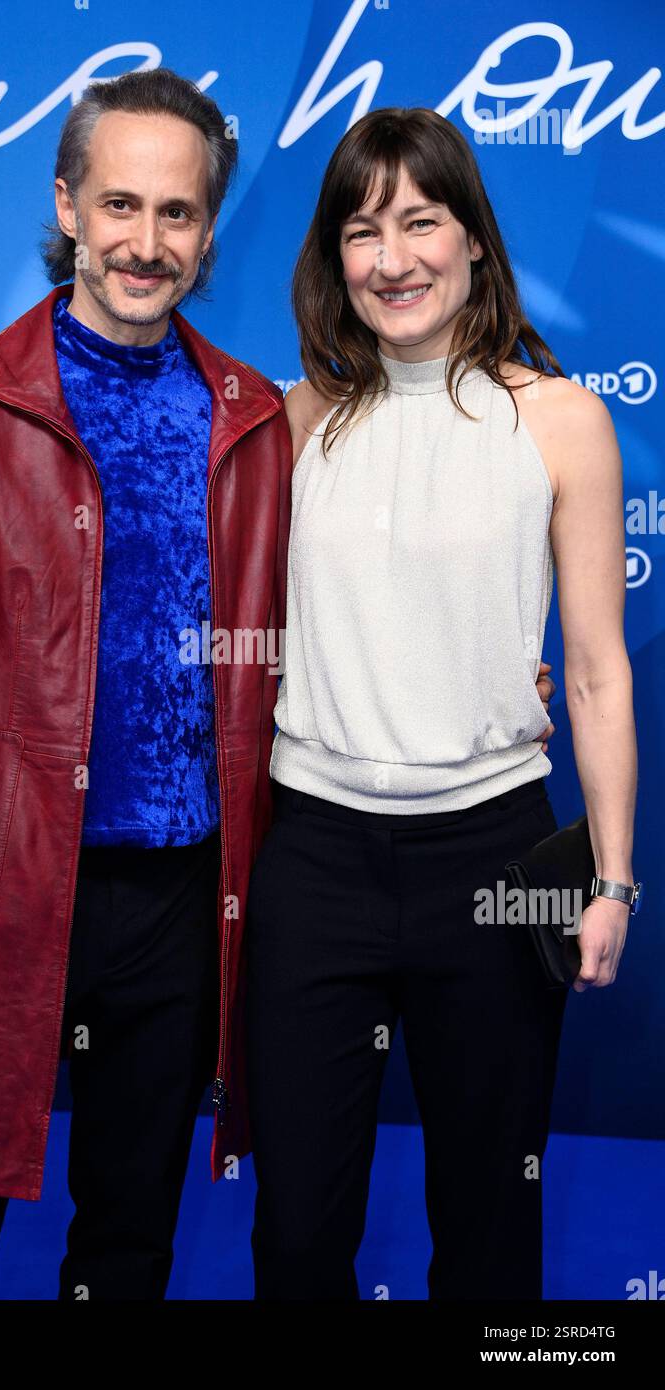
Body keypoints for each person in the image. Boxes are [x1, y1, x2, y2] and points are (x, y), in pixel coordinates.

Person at [0, 67, 292, 1300]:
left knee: (131, 1236)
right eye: (120, 205)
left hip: (182, 900)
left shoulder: (252, 415)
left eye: (178, 214)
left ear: (208, 227)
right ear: (68, 206)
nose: (147, 242)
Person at [245, 107, 638, 1301]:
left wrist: (613, 877)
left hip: (497, 852)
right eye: (363, 230)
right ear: (333, 258)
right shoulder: (287, 423)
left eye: (421, 220)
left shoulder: (560, 420)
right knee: (298, 1230)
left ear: (474, 239)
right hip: (313, 858)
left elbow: (596, 669)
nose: (394, 256)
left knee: (488, 1225)